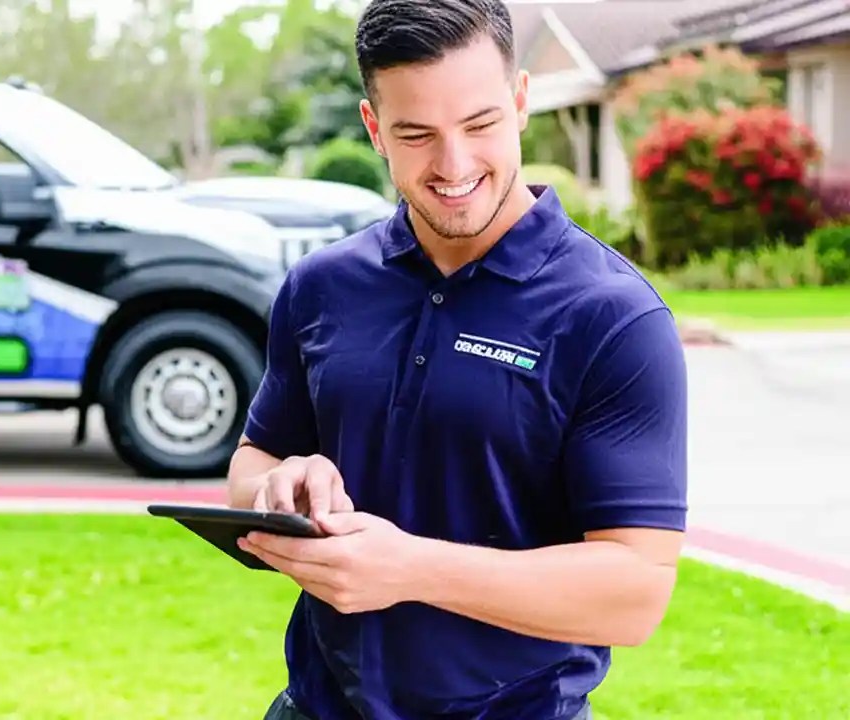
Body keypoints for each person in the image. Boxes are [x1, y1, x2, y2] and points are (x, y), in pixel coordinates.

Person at [226, 1, 688, 719]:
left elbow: (635, 593)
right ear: (374, 128)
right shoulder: (321, 287)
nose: (454, 165)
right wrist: (279, 489)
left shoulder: (614, 317)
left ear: (521, 101)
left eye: (480, 124)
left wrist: (409, 569)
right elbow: (252, 463)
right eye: (416, 134)